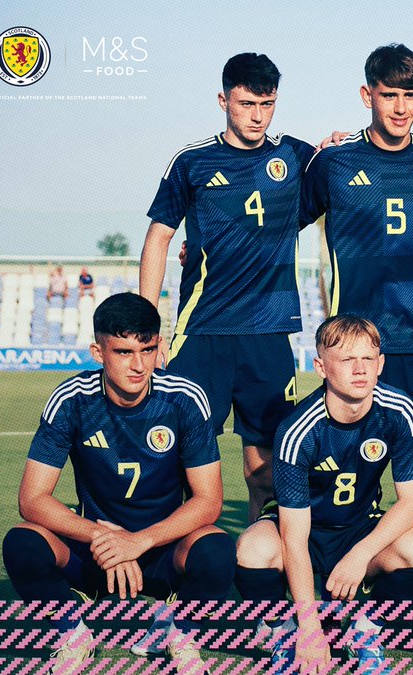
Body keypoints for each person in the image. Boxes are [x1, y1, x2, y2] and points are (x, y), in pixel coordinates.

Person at [300, 43, 413, 543]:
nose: (400, 108)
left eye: (409, 95)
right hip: (355, 347)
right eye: (388, 95)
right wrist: (204, 249)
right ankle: (342, 569)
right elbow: (281, 221)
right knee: (352, 469)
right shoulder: (334, 162)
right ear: (367, 95)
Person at [0, 293, 233, 674]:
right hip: (96, 550)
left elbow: (208, 500)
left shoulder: (185, 399)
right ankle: (72, 634)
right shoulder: (72, 400)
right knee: (23, 542)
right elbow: (33, 498)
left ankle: (177, 632)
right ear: (98, 352)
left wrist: (140, 541)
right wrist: (102, 537)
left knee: (217, 550)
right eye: (124, 352)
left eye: (147, 349)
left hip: (162, 548)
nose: (139, 365)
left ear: (159, 347)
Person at [139, 53, 316, 525]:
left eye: (267, 104)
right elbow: (158, 238)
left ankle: (261, 556)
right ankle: (178, 555)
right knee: (178, 458)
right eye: (246, 104)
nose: (257, 116)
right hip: (203, 333)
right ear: (223, 100)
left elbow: (344, 167)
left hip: (268, 335)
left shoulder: (294, 156)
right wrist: (146, 328)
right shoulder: (191, 161)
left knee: (267, 468)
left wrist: (336, 141)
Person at [233, 315, 413, 673]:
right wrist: (310, 629)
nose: (360, 369)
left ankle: (365, 630)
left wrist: (361, 554)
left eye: (368, 358)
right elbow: (293, 538)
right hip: (303, 530)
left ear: (381, 364)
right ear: (321, 367)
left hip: (358, 527)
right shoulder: (297, 430)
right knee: (253, 549)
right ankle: (285, 631)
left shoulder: (399, 410)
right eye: (347, 359)